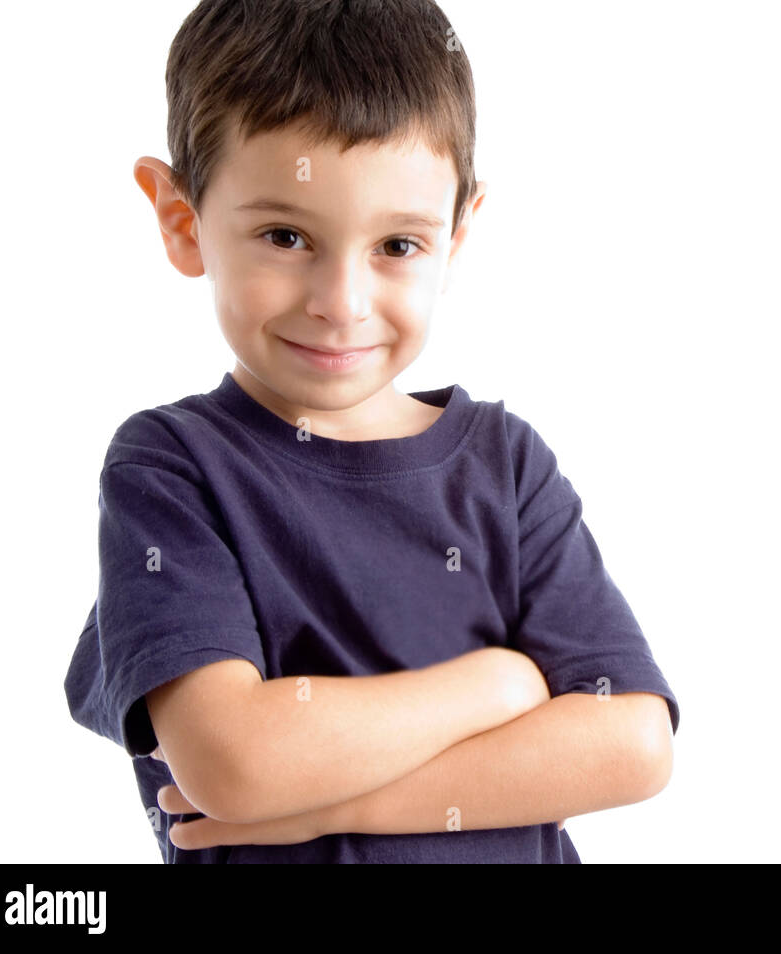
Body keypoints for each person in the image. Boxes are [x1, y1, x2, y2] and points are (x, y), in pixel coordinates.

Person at [63, 0, 679, 863]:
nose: (340, 303)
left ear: (457, 235)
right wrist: (497, 683)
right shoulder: (172, 470)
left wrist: (324, 810)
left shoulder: (506, 468)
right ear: (181, 218)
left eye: (397, 245)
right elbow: (235, 762)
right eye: (285, 235)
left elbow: (633, 743)